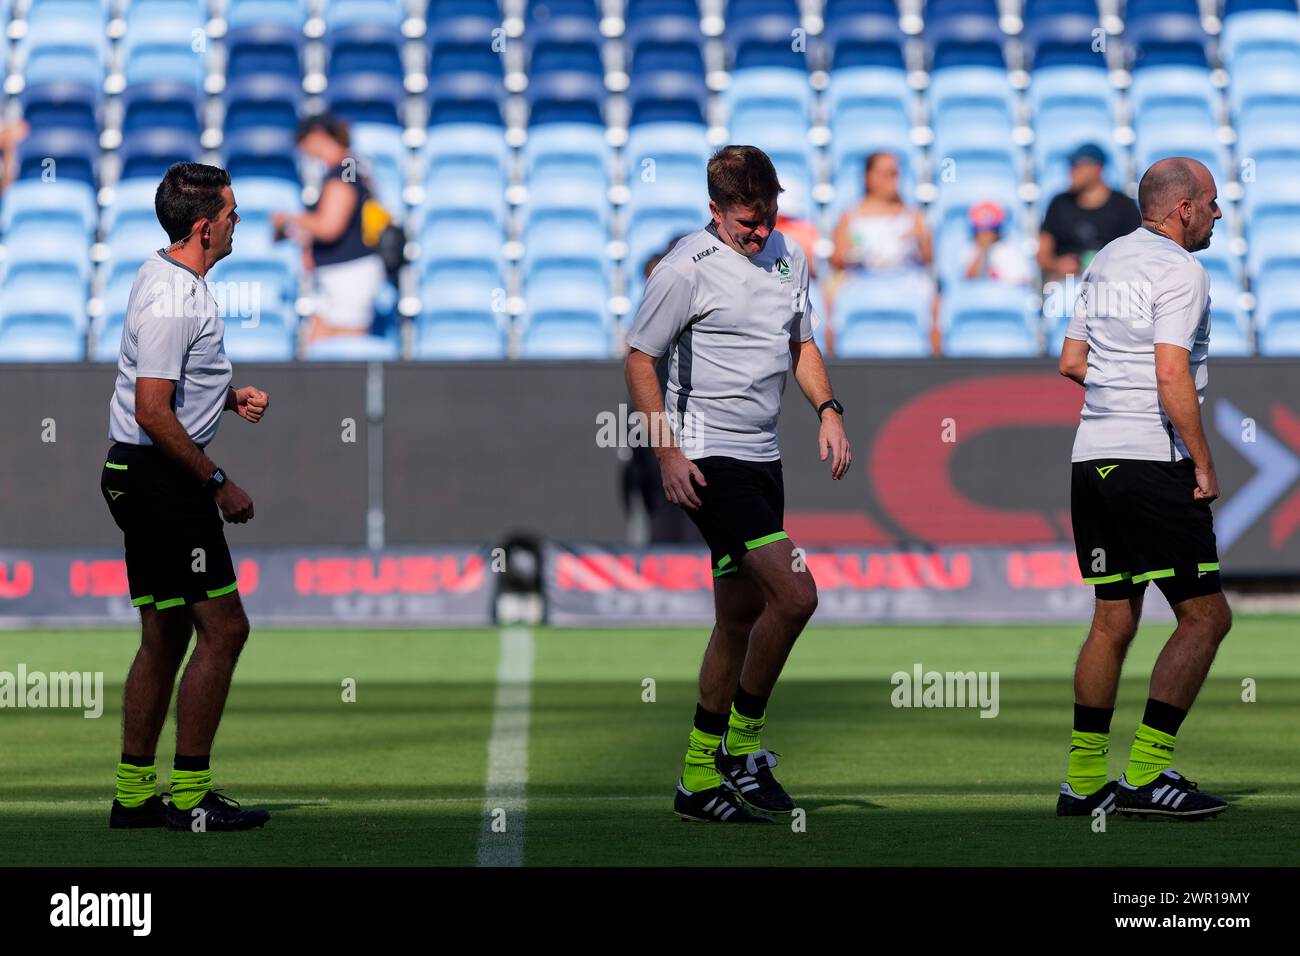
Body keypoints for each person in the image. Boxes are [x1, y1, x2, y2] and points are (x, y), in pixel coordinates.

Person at [624, 145, 852, 823]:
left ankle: (699, 777)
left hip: (763, 457)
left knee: (737, 620)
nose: (759, 231)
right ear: (715, 210)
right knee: (797, 593)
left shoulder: (789, 255)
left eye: (767, 215)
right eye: (746, 221)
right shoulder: (682, 270)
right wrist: (666, 453)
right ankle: (741, 749)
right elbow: (640, 359)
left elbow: (800, 343)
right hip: (708, 457)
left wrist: (829, 410)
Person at [1057, 156, 1231, 821]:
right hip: (1150, 462)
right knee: (1207, 616)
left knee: (1113, 618)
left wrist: (1115, 393)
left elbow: (1073, 361)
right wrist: (1203, 461)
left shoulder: (1105, 261)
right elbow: (1169, 375)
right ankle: (1148, 775)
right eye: (1211, 202)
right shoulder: (1181, 269)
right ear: (1182, 208)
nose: (1218, 213)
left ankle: (1082, 783)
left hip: (1091, 458)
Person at [103, 162, 272, 832]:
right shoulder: (175, 297)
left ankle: (134, 794)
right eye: (231, 214)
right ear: (204, 227)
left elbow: (166, 388)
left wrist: (223, 397)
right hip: (161, 481)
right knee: (225, 629)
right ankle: (191, 794)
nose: (237, 222)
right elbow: (151, 409)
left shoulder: (170, 278)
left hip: (142, 476)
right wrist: (218, 481)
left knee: (166, 632)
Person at [273, 113, 387, 343]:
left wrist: (289, 219)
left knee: (346, 350)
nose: (304, 151)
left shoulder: (345, 168)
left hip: (350, 273)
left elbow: (330, 226)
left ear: (316, 136)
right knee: (315, 343)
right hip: (338, 274)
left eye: (304, 144)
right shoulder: (350, 166)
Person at [829, 151, 935, 350]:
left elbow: (929, 257)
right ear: (869, 178)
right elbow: (836, 259)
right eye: (887, 174)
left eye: (895, 174)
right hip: (862, 280)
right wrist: (855, 255)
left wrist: (917, 240)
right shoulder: (850, 215)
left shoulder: (913, 215)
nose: (893, 180)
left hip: (906, 281)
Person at [1039, 143, 1140, 283]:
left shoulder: (1123, 205)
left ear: (1097, 168)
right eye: (1071, 165)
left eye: (1077, 165)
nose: (1071, 171)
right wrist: (1057, 265)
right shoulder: (1059, 203)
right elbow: (1042, 255)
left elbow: (1137, 253)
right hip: (1067, 284)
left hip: (1112, 285)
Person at [963, 200, 1033, 285]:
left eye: (990, 230)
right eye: (981, 230)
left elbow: (1022, 282)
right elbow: (968, 280)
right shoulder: (969, 250)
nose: (985, 234)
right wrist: (983, 249)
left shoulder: (1009, 251)